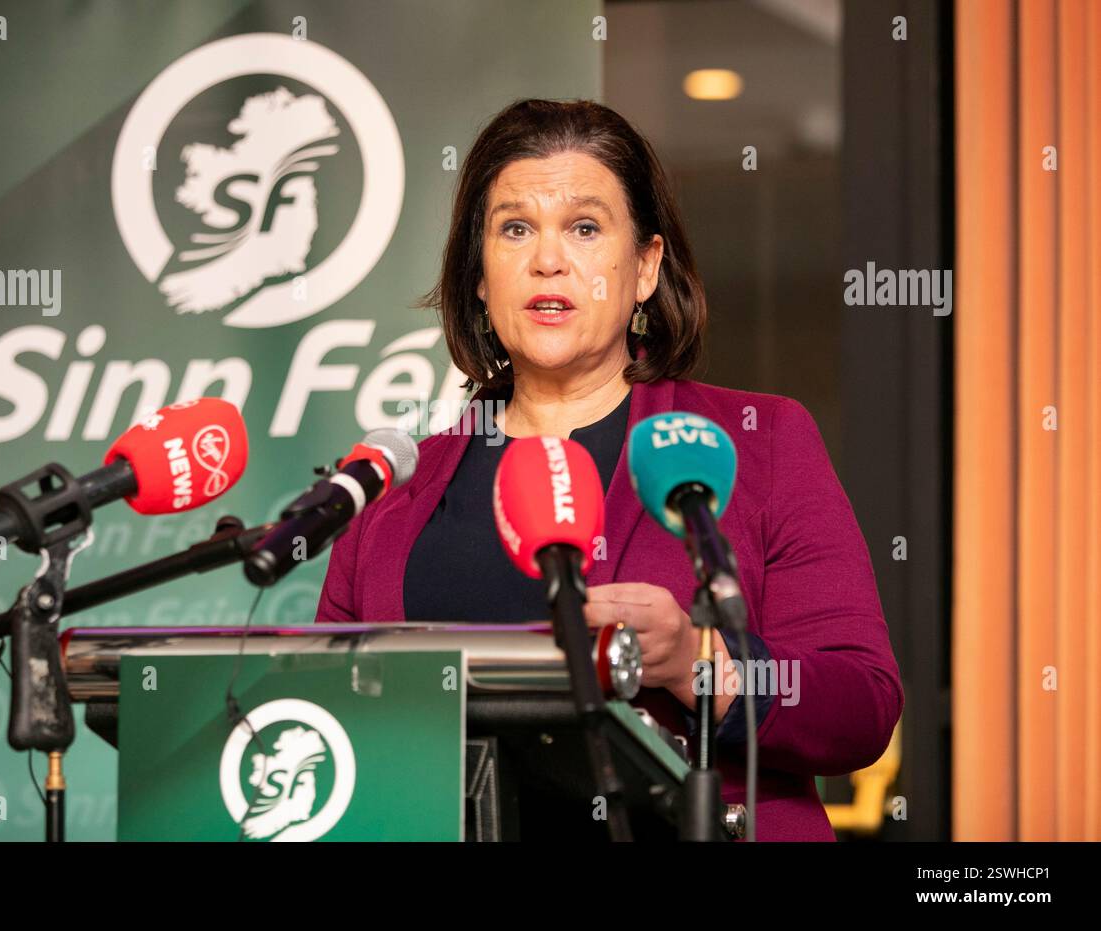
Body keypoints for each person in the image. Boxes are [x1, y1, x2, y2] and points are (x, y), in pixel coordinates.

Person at [315, 98, 903, 841]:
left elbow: (863, 704)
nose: (547, 259)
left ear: (647, 268)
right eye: (515, 228)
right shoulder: (390, 490)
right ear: (478, 278)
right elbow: (331, 716)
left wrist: (697, 661)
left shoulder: (763, 442)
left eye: (585, 228)